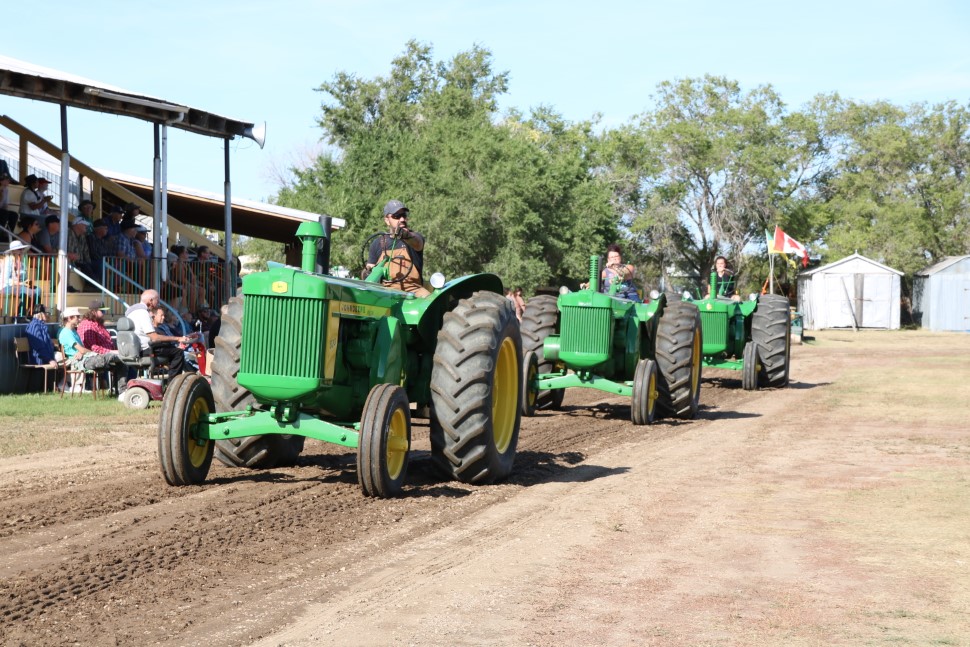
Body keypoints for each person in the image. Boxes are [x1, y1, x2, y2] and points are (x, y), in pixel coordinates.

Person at [366, 199, 428, 297]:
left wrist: (405, 235)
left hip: (414, 291)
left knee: (431, 305)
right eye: (397, 216)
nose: (402, 219)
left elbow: (417, 243)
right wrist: (366, 272)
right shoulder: (377, 243)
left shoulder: (415, 237)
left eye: (404, 215)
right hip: (385, 293)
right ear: (387, 220)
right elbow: (369, 270)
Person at [124, 289, 190, 380]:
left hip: (134, 348)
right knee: (178, 352)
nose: (158, 303)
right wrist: (178, 339)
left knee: (170, 347)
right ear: (150, 301)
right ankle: (172, 385)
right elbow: (154, 337)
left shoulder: (130, 311)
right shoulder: (143, 313)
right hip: (146, 349)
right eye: (157, 300)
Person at [77, 301, 128, 395]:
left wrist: (115, 351)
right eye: (102, 311)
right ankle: (122, 391)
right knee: (118, 357)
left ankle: (122, 392)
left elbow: (108, 342)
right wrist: (111, 351)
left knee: (124, 360)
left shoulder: (99, 324)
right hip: (91, 357)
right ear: (93, 312)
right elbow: (92, 347)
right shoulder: (87, 325)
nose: (104, 314)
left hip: (105, 354)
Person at [168, 245, 205, 313]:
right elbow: (181, 279)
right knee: (193, 290)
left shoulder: (186, 264)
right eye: (186, 252)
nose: (188, 253)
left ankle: (200, 309)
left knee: (202, 290)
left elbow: (193, 276)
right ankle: (192, 311)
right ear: (181, 254)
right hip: (180, 284)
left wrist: (195, 282)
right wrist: (191, 284)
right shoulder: (179, 264)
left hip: (187, 283)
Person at [25, 302, 58, 368]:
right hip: (40, 360)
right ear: (41, 314)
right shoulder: (34, 326)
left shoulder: (41, 326)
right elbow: (39, 346)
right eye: (47, 313)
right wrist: (50, 360)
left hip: (47, 358)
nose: (48, 315)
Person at [0, 172, 18, 242]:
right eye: (6, 180)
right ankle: (0, 234)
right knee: (4, 213)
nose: (8, 181)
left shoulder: (6, 190)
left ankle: (7, 233)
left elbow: (5, 205)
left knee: (14, 215)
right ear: (1, 181)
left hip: (1, 210)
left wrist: (6, 212)